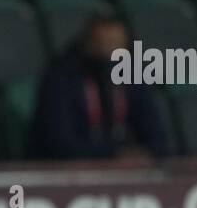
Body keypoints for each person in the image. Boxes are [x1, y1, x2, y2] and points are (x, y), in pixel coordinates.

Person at [28, 16, 168, 161]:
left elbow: (157, 138)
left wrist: (141, 154)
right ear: (87, 44)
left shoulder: (132, 77)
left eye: (116, 44)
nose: (110, 51)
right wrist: (114, 155)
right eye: (103, 44)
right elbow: (61, 144)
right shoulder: (61, 79)